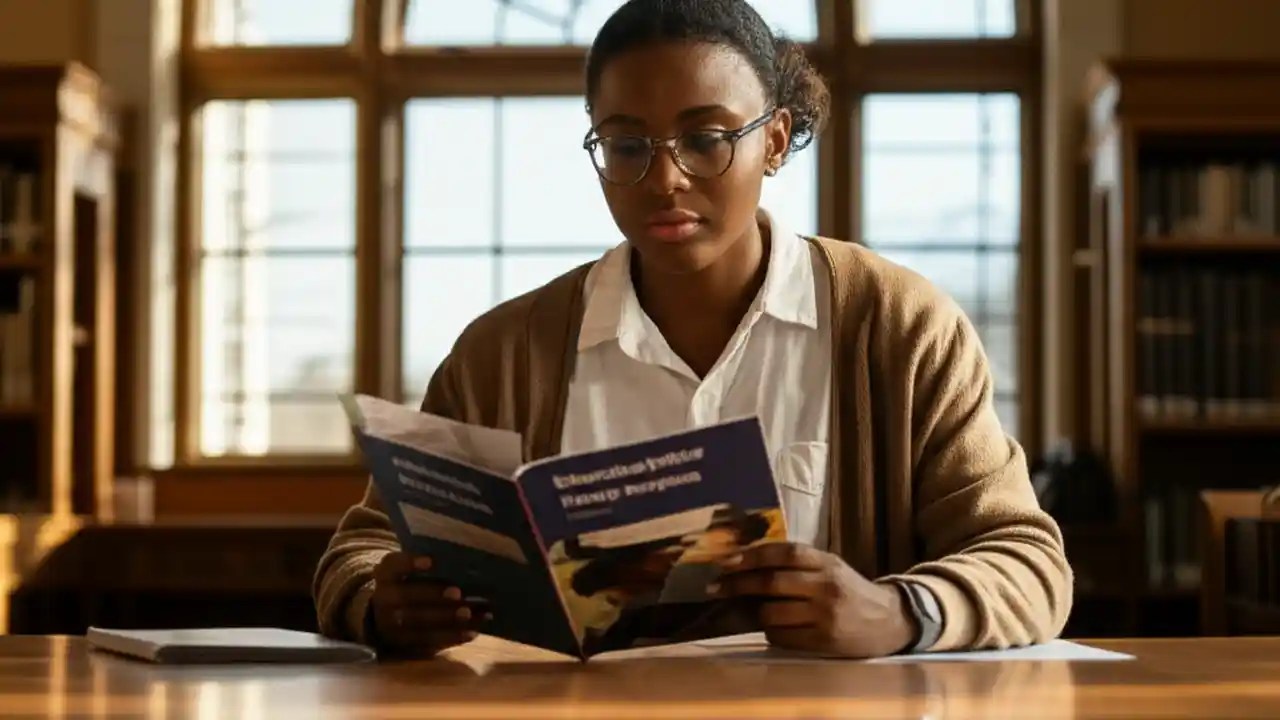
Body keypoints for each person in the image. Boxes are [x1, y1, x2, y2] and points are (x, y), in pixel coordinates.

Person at [313, 0, 1072, 659]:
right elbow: (360, 549)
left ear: (774, 142)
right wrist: (386, 605)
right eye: (627, 146)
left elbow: (1029, 562)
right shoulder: (502, 352)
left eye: (706, 138)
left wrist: (899, 613)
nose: (666, 178)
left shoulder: (897, 326)